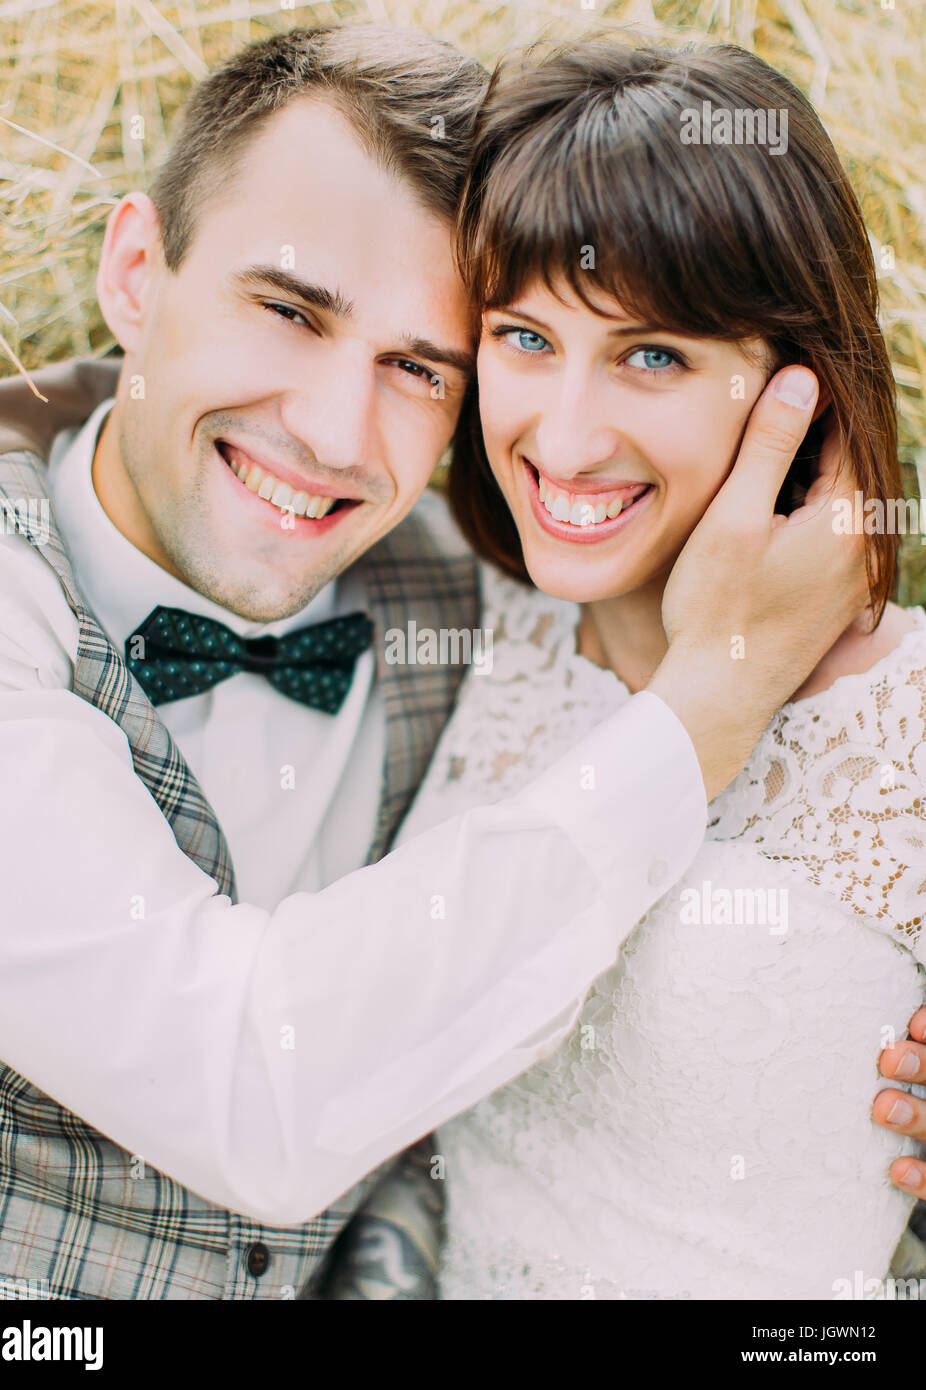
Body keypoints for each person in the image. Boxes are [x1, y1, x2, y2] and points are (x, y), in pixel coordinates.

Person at [0, 23, 886, 1301]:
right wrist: (709, 701)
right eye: (287, 311)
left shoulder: (483, 595)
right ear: (134, 273)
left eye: (420, 368)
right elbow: (250, 1092)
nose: (336, 437)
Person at [367, 37, 926, 1299]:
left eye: (652, 355)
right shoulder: (465, 626)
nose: (560, 439)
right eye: (521, 337)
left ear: (801, 388)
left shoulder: (910, 723)